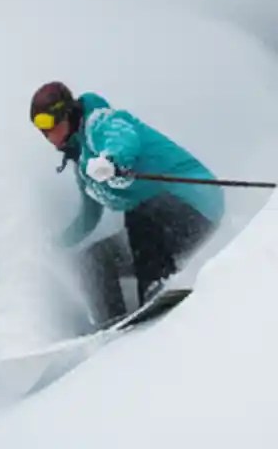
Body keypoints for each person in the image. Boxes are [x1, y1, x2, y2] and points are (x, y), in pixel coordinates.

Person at [29, 81, 223, 322]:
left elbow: (124, 140)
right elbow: (89, 218)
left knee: (138, 214)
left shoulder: (100, 123)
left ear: (66, 113)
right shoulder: (83, 164)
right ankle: (111, 324)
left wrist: (112, 161)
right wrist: (54, 246)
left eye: (47, 124)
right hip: (163, 227)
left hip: (197, 206)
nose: (46, 134)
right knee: (93, 260)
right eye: (39, 128)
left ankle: (155, 287)